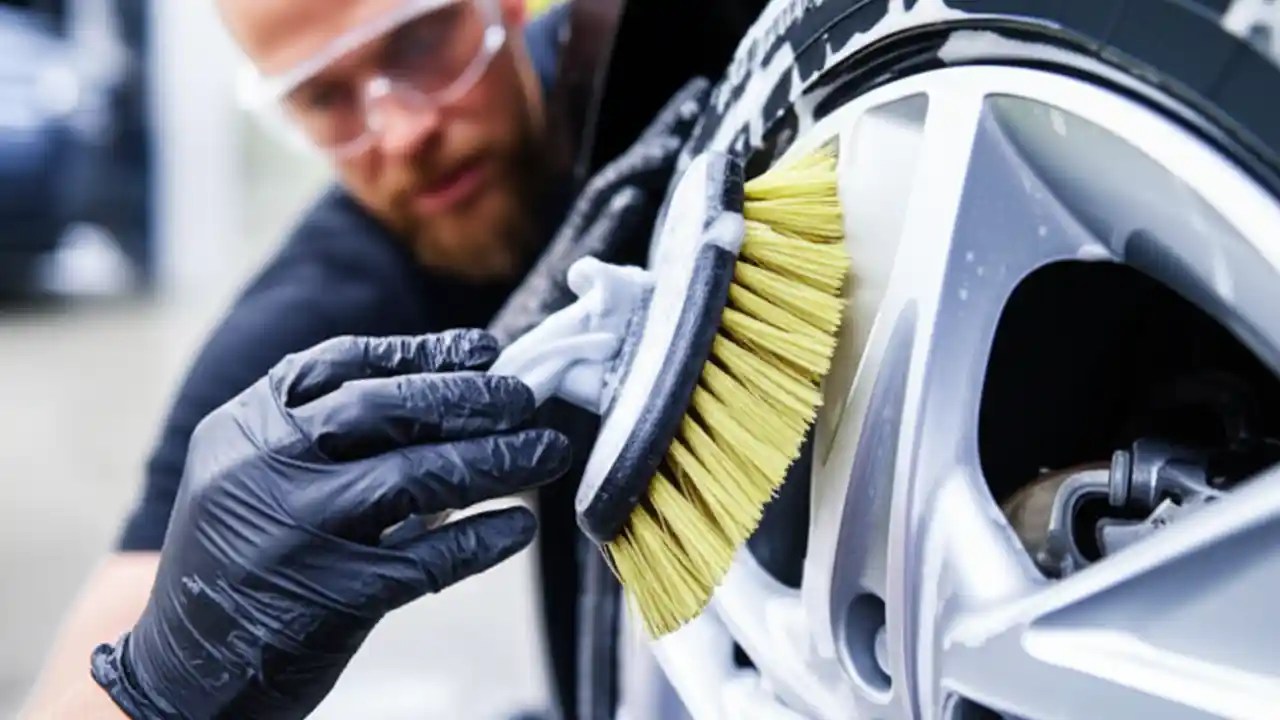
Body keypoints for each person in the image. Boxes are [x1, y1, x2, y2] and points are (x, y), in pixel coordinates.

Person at [18, 0, 709, 717]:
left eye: (419, 42)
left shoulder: (665, 52)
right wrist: (170, 677)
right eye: (324, 96)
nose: (404, 132)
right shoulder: (315, 323)